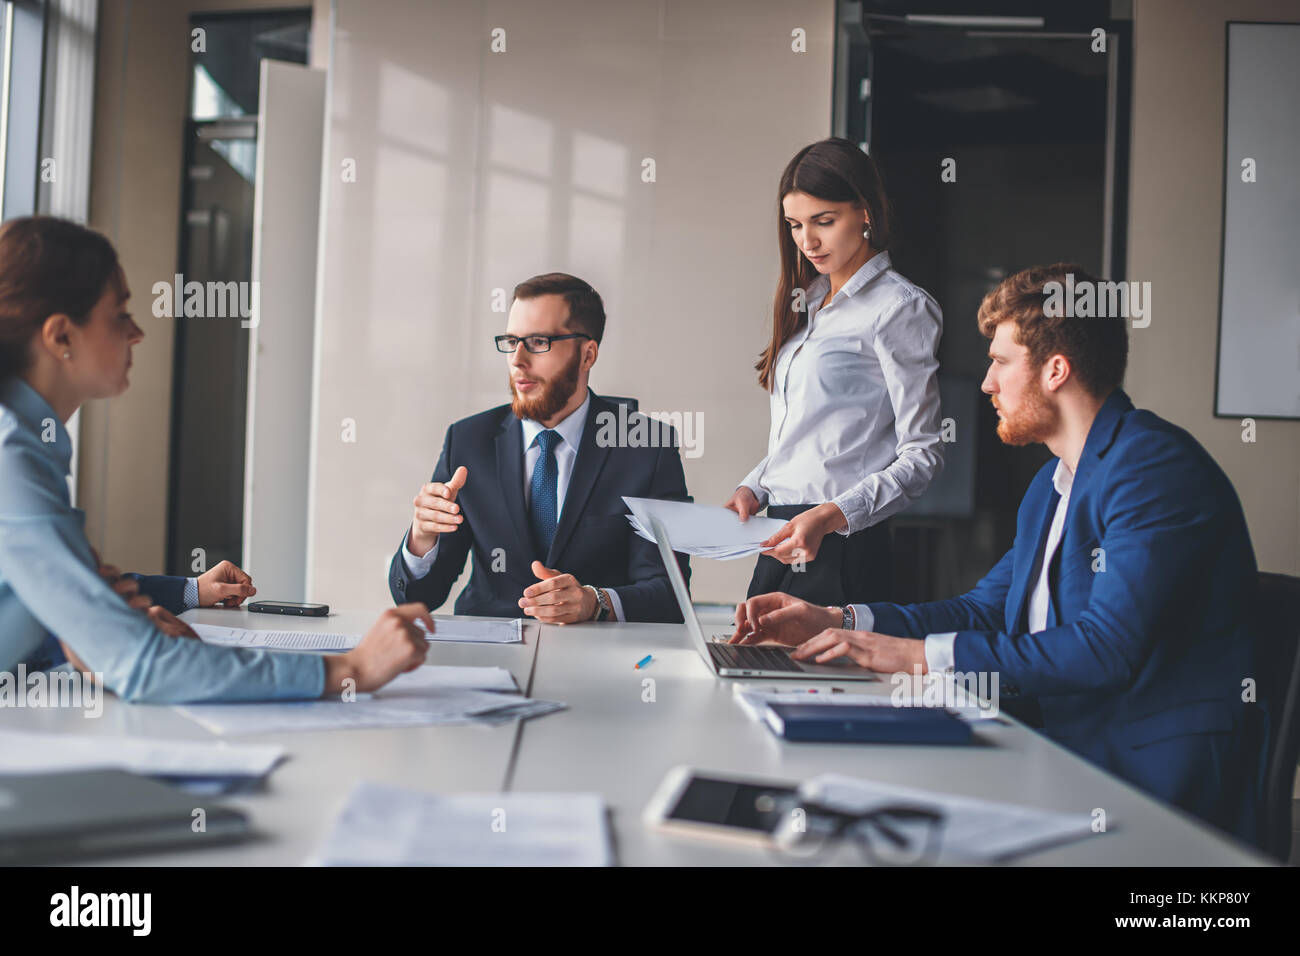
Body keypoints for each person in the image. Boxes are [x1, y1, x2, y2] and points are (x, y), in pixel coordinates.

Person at [731, 262, 1267, 845]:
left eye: (1001, 362)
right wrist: (840, 622)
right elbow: (984, 608)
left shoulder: (1151, 467)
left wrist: (912, 657)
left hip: (1149, 784)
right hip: (1058, 753)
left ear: (1056, 370)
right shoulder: (1052, 484)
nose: (987, 384)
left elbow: (1105, 649)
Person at [0, 215, 430, 702]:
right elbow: (142, 665)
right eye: (120, 314)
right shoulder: (13, 457)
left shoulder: (30, 442)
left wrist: (119, 612)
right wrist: (351, 669)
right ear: (61, 338)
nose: (137, 332)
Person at [389, 272, 690, 624]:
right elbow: (417, 599)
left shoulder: (645, 447)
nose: (517, 360)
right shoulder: (468, 440)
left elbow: (671, 595)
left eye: (537, 342)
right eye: (511, 341)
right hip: (490, 654)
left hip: (599, 661)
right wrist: (422, 540)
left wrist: (597, 602)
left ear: (587, 354)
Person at [725, 137, 943, 607]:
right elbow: (812, 435)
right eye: (795, 225)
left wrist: (833, 514)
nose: (808, 241)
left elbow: (923, 454)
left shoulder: (899, 308)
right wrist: (756, 485)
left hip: (844, 540)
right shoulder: (808, 302)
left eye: (824, 221)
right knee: (753, 671)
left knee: (818, 679)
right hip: (782, 531)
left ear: (865, 212)